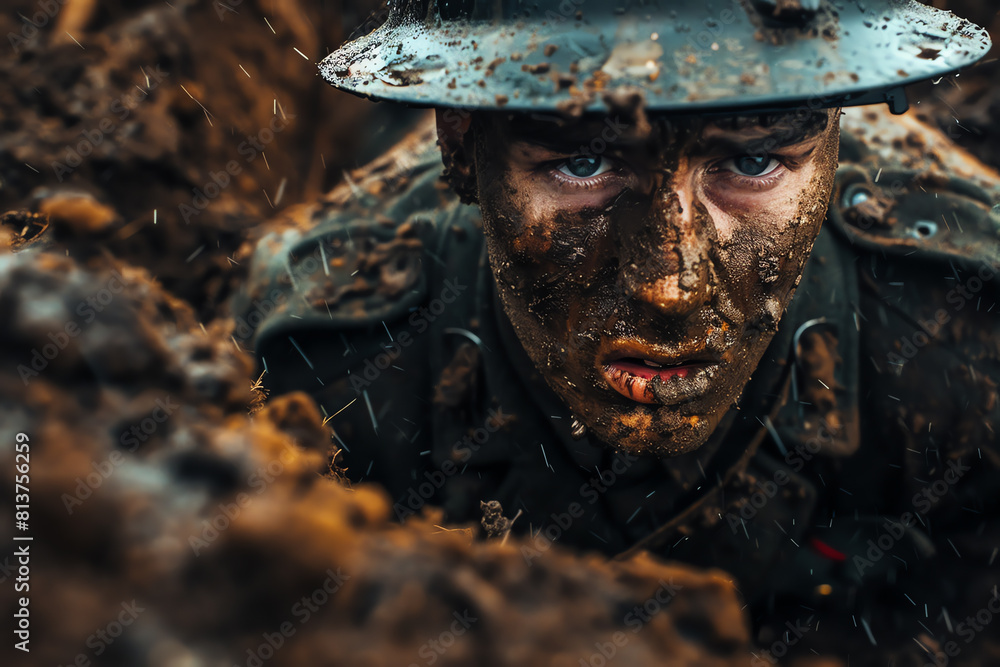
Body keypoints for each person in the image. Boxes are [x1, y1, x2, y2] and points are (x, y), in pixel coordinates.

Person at [235, 1, 1000, 661]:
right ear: (461, 146)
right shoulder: (323, 371)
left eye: (755, 160)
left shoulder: (959, 340)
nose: (671, 286)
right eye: (585, 164)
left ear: (835, 138)